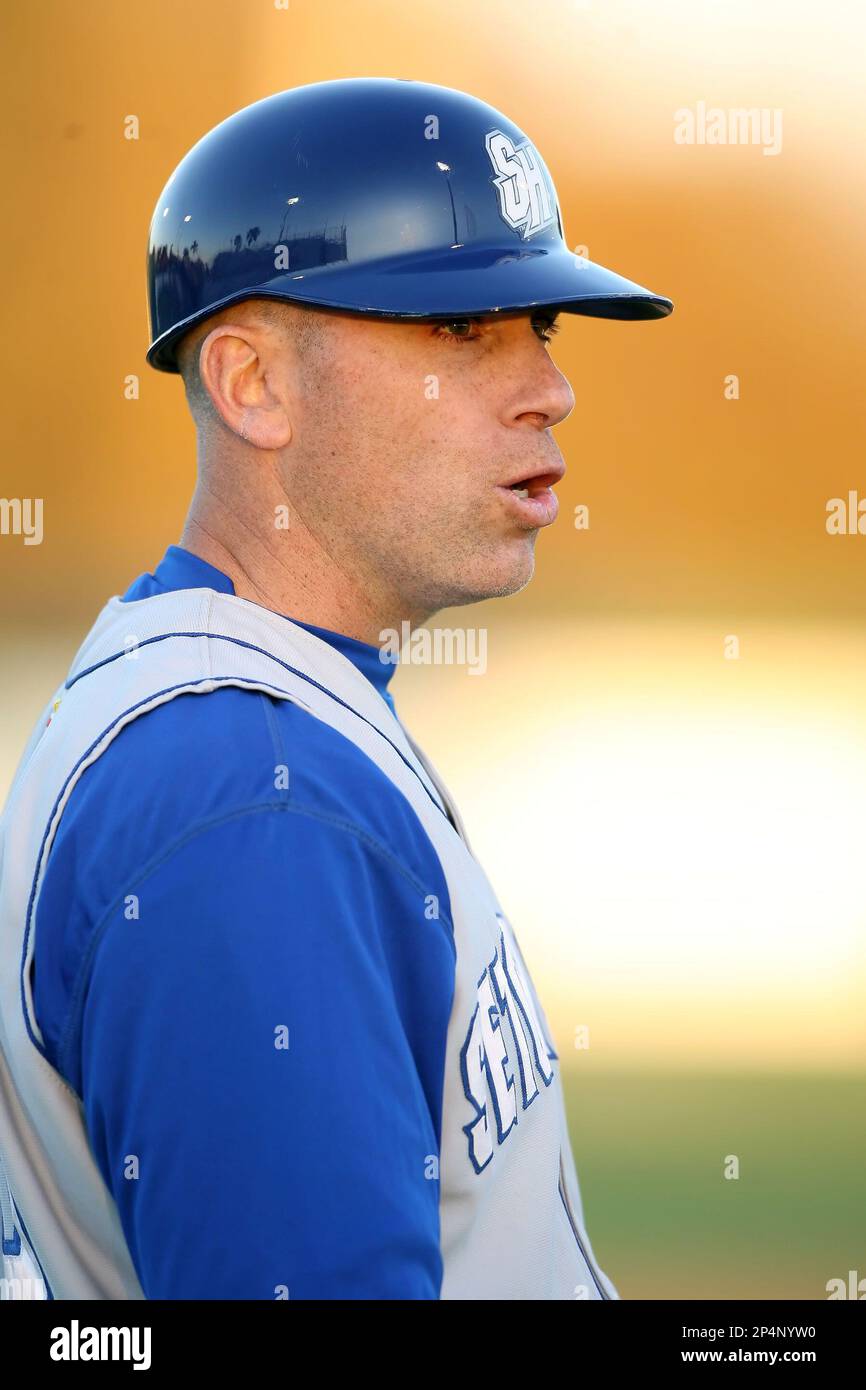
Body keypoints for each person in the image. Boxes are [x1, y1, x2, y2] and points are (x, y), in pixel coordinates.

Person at [0, 77, 672, 1300]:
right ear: (253, 384)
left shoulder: (240, 704)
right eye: (458, 330)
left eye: (540, 325)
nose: (548, 387)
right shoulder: (247, 802)